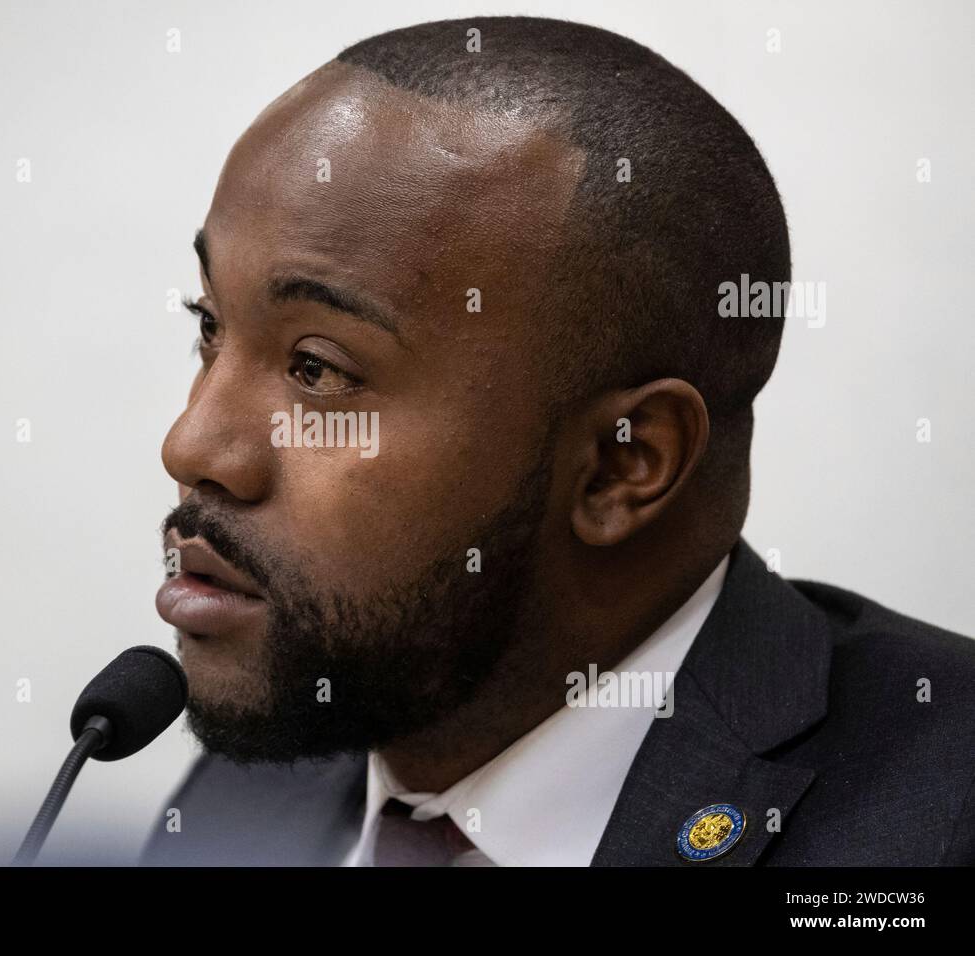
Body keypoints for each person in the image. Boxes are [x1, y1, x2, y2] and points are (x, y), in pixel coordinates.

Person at [141, 16, 975, 866]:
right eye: (209, 325)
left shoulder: (937, 821)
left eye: (318, 370)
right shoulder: (251, 796)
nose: (192, 446)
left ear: (623, 464)